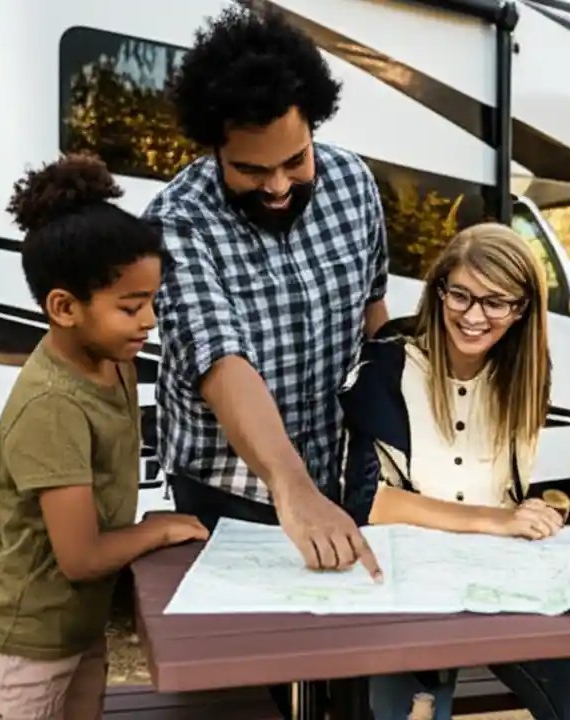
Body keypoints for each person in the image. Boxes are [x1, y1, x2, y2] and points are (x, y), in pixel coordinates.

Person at [0, 155, 209, 720]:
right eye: (130, 307)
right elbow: (82, 556)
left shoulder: (111, 362)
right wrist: (154, 529)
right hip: (21, 642)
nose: (149, 322)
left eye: (152, 302)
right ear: (64, 307)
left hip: (77, 630)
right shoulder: (53, 406)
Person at [339, 223, 570, 720]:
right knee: (416, 713)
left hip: (502, 580)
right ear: (439, 291)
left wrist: (535, 512)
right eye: (460, 296)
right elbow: (368, 503)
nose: (473, 316)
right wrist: (496, 519)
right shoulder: (387, 365)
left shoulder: (526, 374)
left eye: (496, 302)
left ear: (522, 308)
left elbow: (507, 489)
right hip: (407, 586)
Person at [142, 4, 386, 580]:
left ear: (314, 127)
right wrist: (291, 487)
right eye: (251, 170)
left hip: (338, 469)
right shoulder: (176, 224)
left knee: (344, 650)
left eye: (294, 161)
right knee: (248, 659)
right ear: (213, 149)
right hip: (226, 492)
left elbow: (374, 312)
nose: (277, 187)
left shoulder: (354, 185)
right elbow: (221, 361)